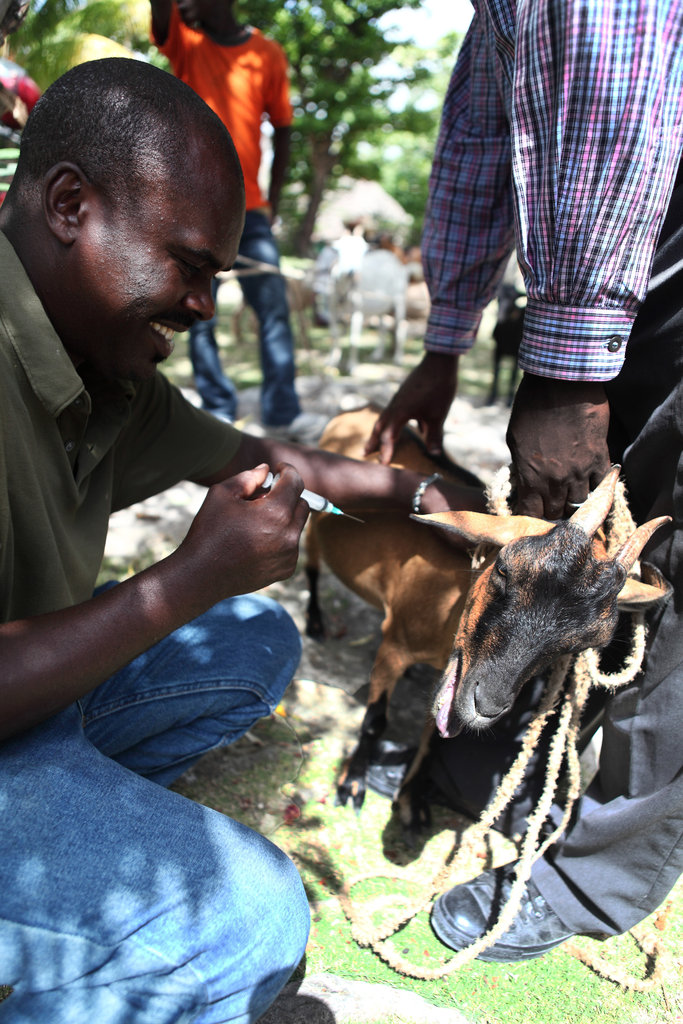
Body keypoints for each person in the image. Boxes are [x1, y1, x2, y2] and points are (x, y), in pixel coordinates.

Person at [0, 57, 484, 1020]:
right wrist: (187, 578)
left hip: (29, 705)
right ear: (69, 205)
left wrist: (420, 490)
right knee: (253, 920)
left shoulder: (103, 368)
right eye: (188, 265)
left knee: (253, 640)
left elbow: (266, 454)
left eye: (218, 277)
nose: (202, 308)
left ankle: (64, 815)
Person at [365, 0, 683, 963]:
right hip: (610, 250)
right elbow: (478, 125)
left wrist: (568, 368)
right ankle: (524, 751)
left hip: (638, 241)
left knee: (665, 568)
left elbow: (611, 60)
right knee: (565, 547)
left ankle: (596, 877)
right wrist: (444, 338)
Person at [150, 0, 321, 441]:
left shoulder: (266, 53)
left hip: (252, 210)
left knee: (274, 309)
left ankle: (283, 411)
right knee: (194, 308)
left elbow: (283, 128)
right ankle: (217, 406)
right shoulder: (187, 44)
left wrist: (274, 201)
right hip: (192, 207)